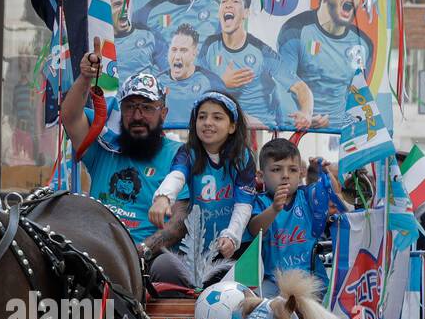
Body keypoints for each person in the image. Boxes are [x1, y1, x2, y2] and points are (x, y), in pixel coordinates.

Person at [60, 51, 188, 279]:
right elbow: (70, 117)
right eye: (130, 107)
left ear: (163, 113)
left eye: (147, 108)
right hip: (95, 253)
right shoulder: (105, 146)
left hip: (148, 261)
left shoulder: (178, 156)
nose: (137, 115)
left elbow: (179, 223)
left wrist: (141, 251)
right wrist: (85, 77)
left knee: (169, 266)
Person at [149, 91, 255, 289]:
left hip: (235, 247)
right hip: (200, 249)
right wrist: (163, 198)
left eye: (217, 117)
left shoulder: (243, 157)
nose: (207, 122)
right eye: (202, 116)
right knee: (162, 266)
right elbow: (177, 175)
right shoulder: (188, 152)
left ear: (232, 126)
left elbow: (244, 203)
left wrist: (231, 235)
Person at [275, 0, 374, 131]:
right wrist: (305, 116)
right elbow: (282, 87)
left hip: (341, 138)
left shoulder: (363, 44)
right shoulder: (295, 31)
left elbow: (359, 100)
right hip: (296, 130)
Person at [246, 138, 336, 297]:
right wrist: (273, 209)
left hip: (310, 278)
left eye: (292, 170)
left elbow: (334, 194)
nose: (285, 176)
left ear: (301, 173)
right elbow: (254, 229)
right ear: (260, 176)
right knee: (259, 304)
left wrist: (325, 174)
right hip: (273, 281)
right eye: (276, 170)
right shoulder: (260, 201)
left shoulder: (307, 196)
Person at [199, 0, 281, 121]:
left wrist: (305, 112)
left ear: (246, 13)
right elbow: (195, 84)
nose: (228, 5)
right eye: (224, 1)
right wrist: (222, 83)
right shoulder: (209, 46)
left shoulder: (261, 51)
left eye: (235, 1)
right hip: (220, 124)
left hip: (256, 128)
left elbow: (296, 86)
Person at [160, 25, 222, 124]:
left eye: (183, 50)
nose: (177, 56)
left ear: (194, 53)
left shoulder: (212, 82)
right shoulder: (158, 82)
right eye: (174, 49)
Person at [109, 0, 160, 81]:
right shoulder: (105, 43)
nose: (125, 8)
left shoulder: (148, 37)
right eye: (118, 4)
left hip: (144, 96)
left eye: (128, 2)